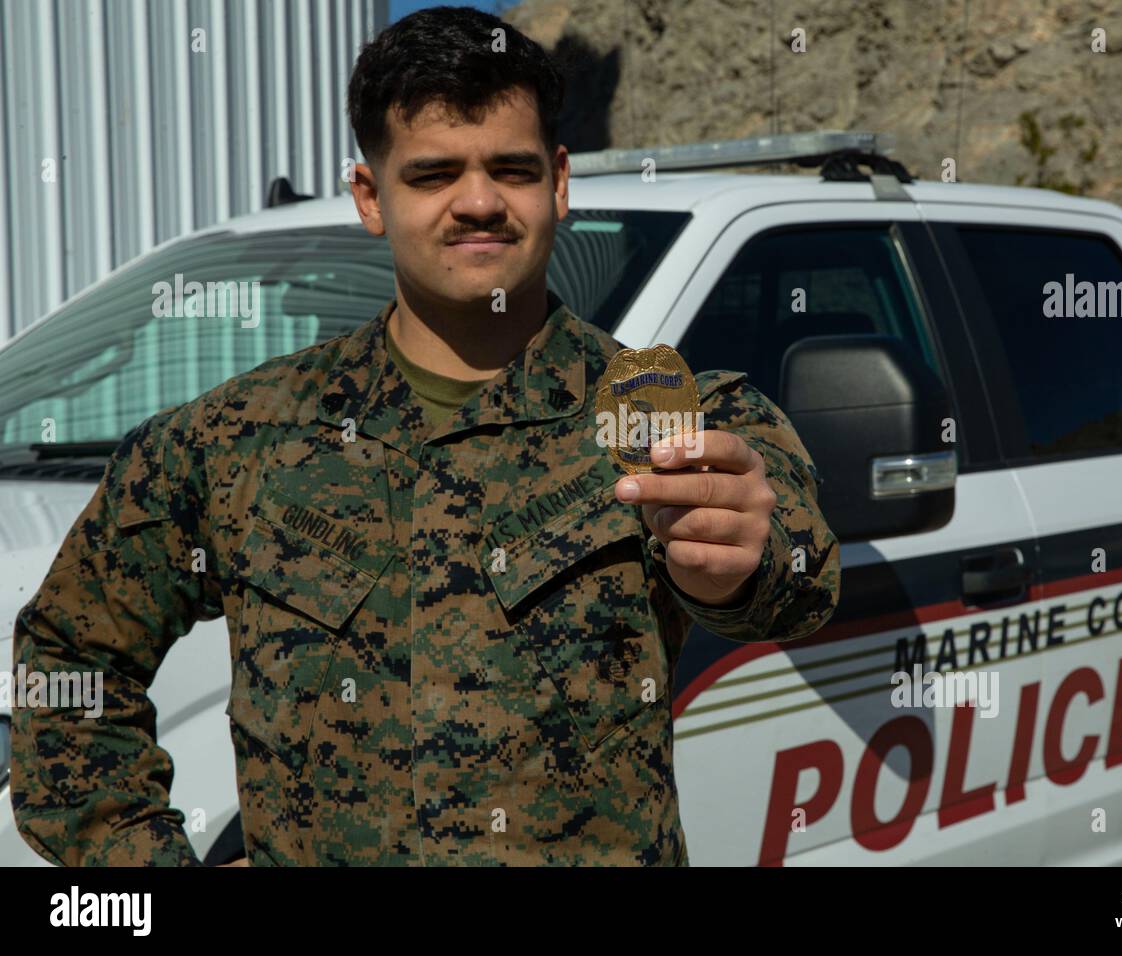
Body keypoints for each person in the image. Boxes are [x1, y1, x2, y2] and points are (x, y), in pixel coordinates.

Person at [10, 5, 840, 866]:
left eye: (511, 170)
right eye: (434, 173)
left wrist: (744, 562)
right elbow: (70, 655)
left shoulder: (675, 418)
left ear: (558, 182)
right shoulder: (233, 441)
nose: (478, 203)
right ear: (370, 196)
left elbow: (801, 575)